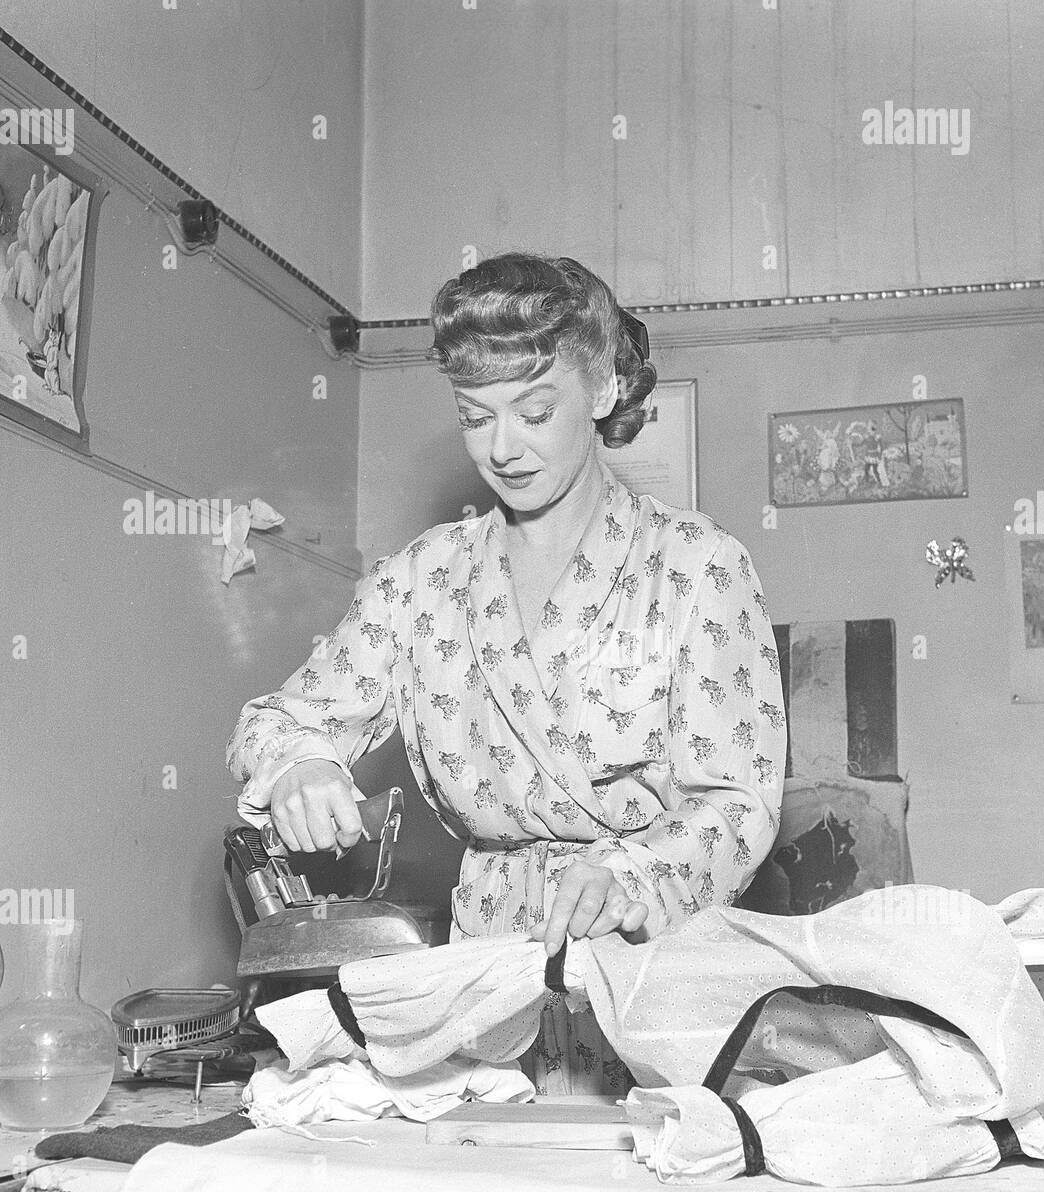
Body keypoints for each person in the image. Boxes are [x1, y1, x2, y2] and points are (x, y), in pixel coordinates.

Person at [227, 252, 786, 1095]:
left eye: (534, 410)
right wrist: (302, 762)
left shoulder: (696, 567)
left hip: (653, 967)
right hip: (484, 979)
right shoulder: (421, 580)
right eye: (475, 416)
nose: (503, 447)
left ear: (601, 392)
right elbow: (278, 719)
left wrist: (631, 875)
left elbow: (740, 806)